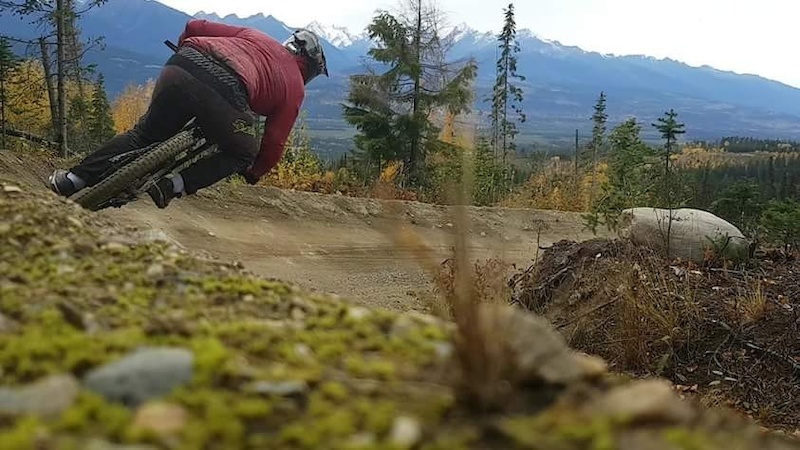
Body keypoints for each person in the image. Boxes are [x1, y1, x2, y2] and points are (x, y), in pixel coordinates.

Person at [48, 19, 328, 209]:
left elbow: (195, 25)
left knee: (144, 134)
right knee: (244, 150)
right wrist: (254, 171)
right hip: (227, 91)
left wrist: (184, 48)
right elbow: (274, 143)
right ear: (310, 69)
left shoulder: (255, 35)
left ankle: (72, 179)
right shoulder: (295, 86)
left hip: (182, 64)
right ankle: (172, 186)